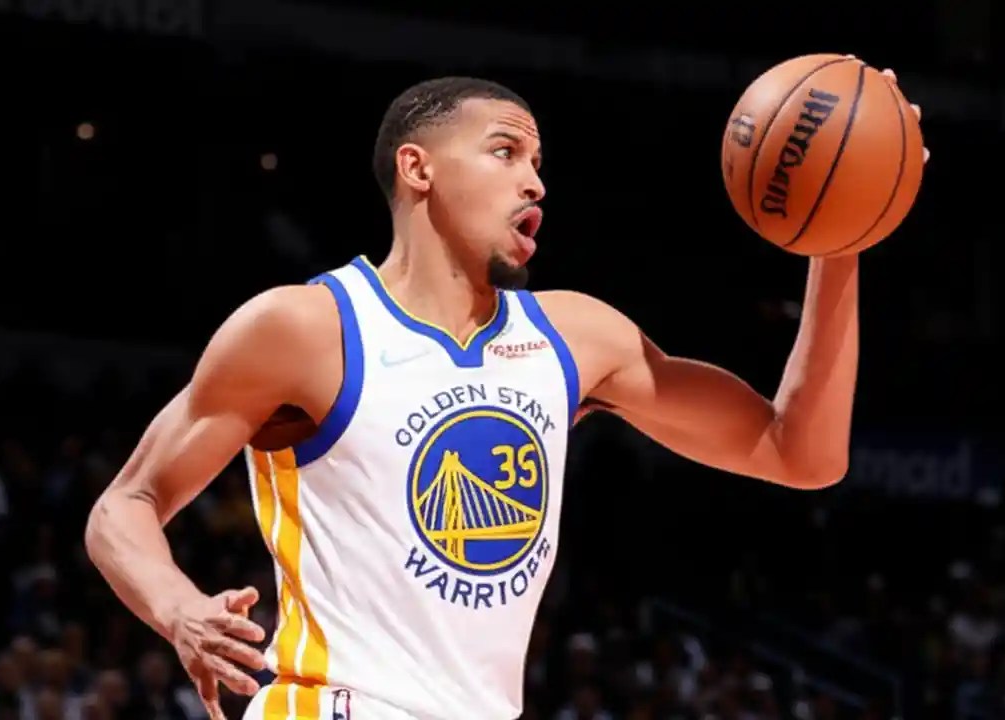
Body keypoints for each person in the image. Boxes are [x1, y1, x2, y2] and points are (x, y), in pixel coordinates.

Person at [85, 75, 927, 720]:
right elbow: (125, 505)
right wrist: (180, 611)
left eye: (538, 162)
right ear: (416, 168)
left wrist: (839, 243)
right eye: (504, 152)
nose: (535, 183)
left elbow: (800, 454)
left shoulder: (575, 336)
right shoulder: (306, 328)